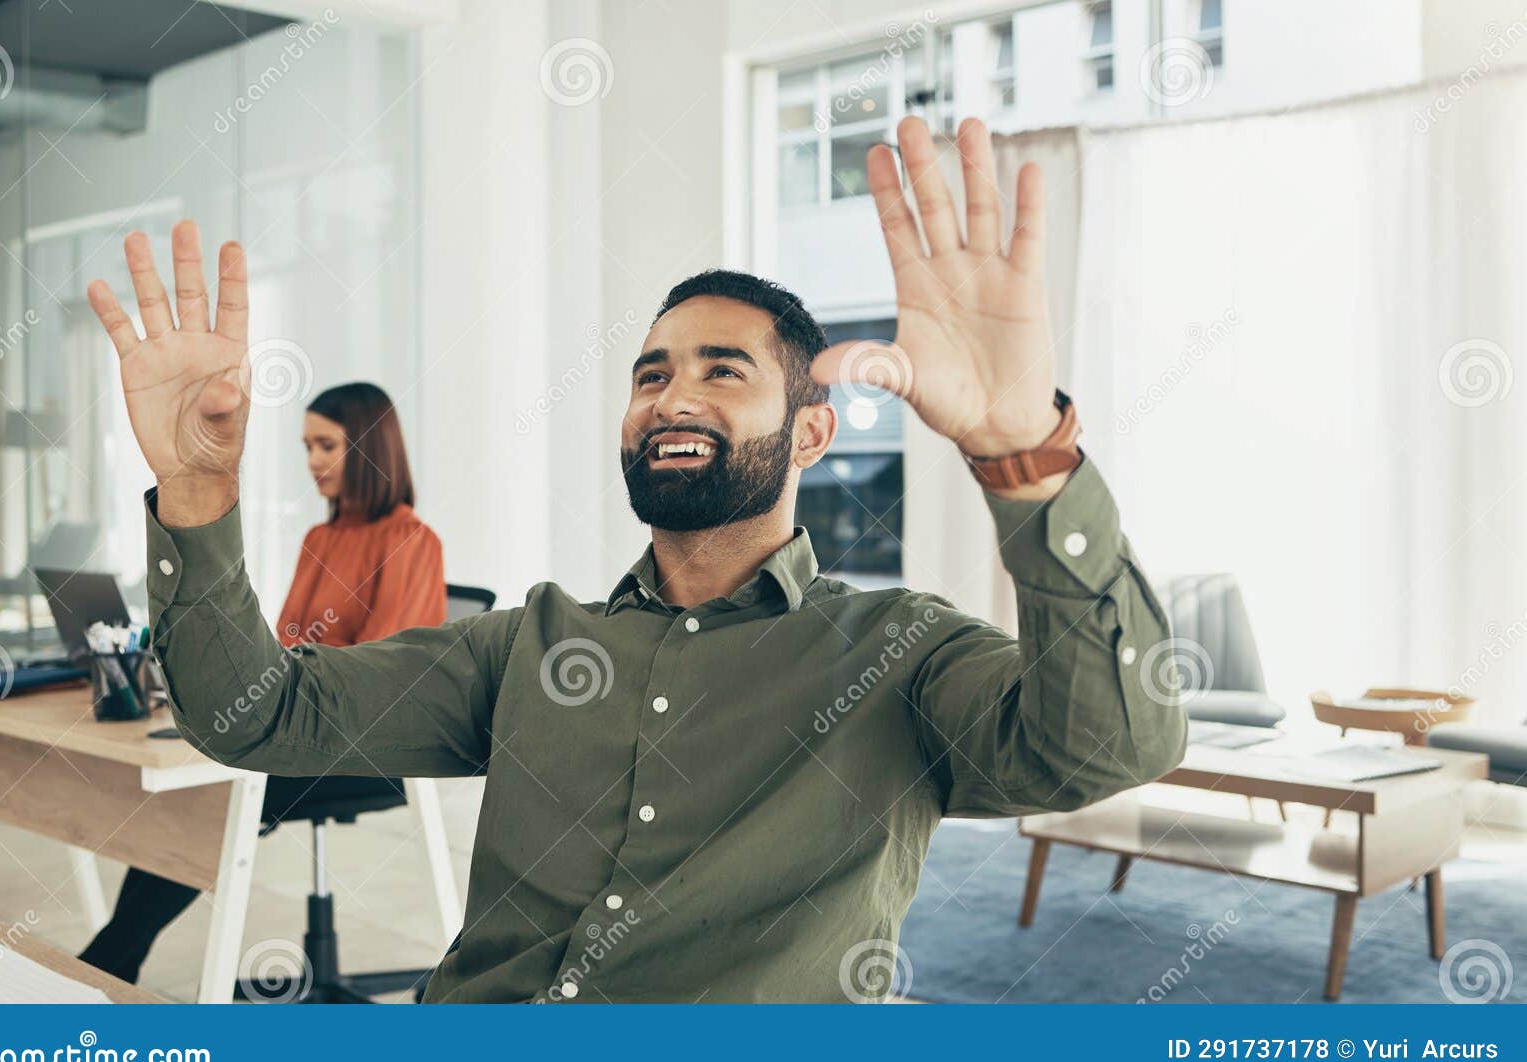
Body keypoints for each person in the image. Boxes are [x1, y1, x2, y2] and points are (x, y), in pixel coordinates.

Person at [85, 116, 1186, 1003]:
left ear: (809, 432)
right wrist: (196, 489)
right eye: (651, 372)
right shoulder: (529, 643)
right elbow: (251, 715)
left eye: (723, 370)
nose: (673, 394)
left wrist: (1022, 451)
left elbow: (1109, 743)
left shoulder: (898, 652)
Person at [78, 383, 443, 984]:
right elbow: (285, 644)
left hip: (366, 748)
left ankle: (111, 960)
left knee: (212, 796)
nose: (313, 462)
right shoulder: (320, 539)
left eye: (327, 445)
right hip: (299, 726)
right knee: (195, 777)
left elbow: (386, 678)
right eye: (307, 447)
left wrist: (291, 677)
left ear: (371, 448)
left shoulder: (411, 541)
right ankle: (113, 960)